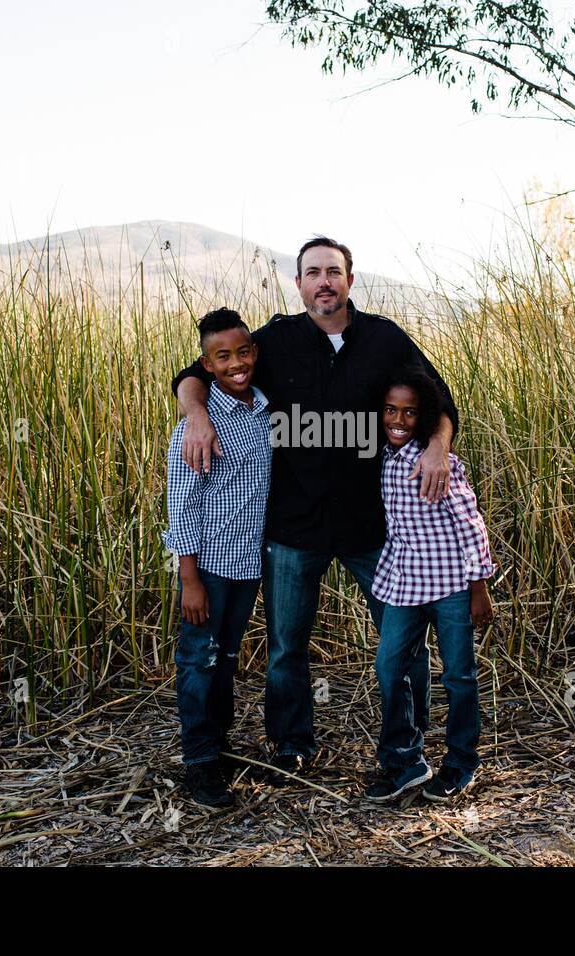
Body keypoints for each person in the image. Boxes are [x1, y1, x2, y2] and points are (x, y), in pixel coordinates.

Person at [171, 237, 459, 780]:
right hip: (293, 526)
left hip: (372, 526)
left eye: (333, 271)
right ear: (298, 283)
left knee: (403, 642)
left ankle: (407, 748)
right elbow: (196, 373)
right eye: (312, 273)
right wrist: (196, 416)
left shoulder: (385, 339)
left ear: (350, 280)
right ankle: (291, 746)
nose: (323, 281)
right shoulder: (273, 341)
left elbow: (441, 404)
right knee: (285, 650)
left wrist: (438, 449)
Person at [365, 366, 496, 803]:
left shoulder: (437, 463)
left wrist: (479, 587)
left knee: (458, 674)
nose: (398, 420)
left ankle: (461, 760)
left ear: (424, 417)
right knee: (389, 666)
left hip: (451, 585)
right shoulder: (380, 459)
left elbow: (470, 524)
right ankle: (405, 758)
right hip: (404, 583)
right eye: (390, 411)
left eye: (408, 413)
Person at [163, 308, 272, 807]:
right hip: (207, 567)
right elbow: (182, 506)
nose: (236, 363)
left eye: (243, 352)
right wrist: (189, 578)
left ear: (254, 353)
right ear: (205, 364)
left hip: (247, 565)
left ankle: (219, 744)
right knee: (199, 660)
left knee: (226, 659)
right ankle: (200, 764)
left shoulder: (264, 412)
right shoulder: (195, 429)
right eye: (222, 356)